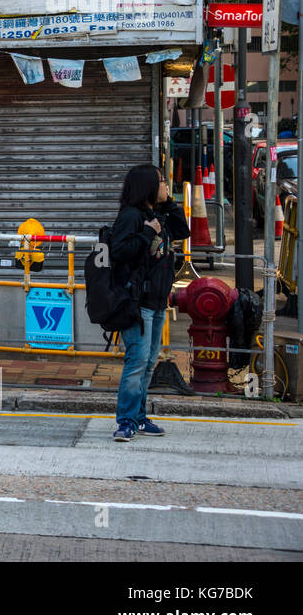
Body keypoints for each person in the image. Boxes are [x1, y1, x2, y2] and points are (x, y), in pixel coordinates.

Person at [110, 163, 190, 441]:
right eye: (160, 182)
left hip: (157, 301)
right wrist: (146, 232)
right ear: (146, 186)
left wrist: (169, 202)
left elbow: (183, 230)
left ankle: (140, 418)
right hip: (137, 302)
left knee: (148, 362)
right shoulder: (131, 217)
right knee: (137, 360)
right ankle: (126, 421)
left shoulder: (159, 214)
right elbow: (118, 251)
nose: (165, 185)